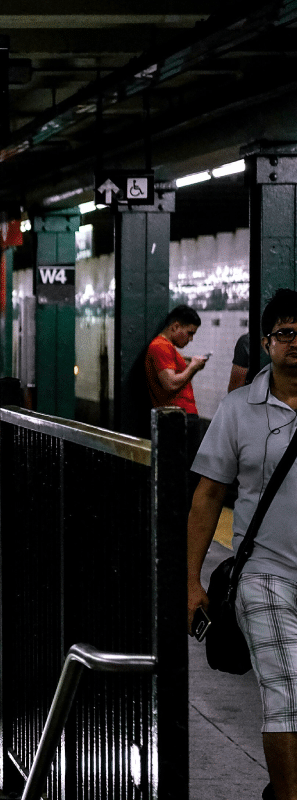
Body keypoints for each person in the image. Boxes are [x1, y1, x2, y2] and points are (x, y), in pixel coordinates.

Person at [188, 289, 297, 800]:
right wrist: (190, 581)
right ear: (266, 342)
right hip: (264, 573)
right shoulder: (238, 409)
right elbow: (208, 496)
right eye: (285, 334)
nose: (295, 343)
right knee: (286, 692)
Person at [146, 304, 207, 413]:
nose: (191, 339)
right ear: (175, 327)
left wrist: (192, 365)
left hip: (179, 414)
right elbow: (170, 383)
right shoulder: (160, 345)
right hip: (175, 416)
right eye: (189, 333)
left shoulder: (168, 347)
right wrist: (193, 367)